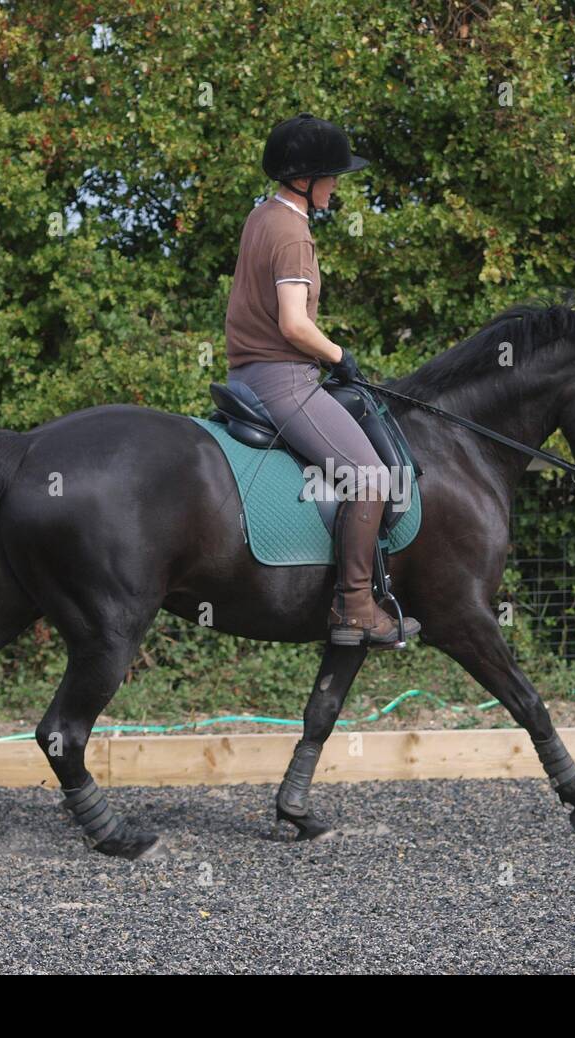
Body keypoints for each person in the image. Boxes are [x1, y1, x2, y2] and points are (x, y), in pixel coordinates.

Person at [224, 113, 421, 650]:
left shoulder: (260, 216)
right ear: (304, 180)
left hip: (246, 372)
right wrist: (339, 355)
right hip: (282, 379)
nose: (336, 187)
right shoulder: (292, 233)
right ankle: (355, 604)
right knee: (373, 478)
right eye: (331, 177)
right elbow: (292, 323)